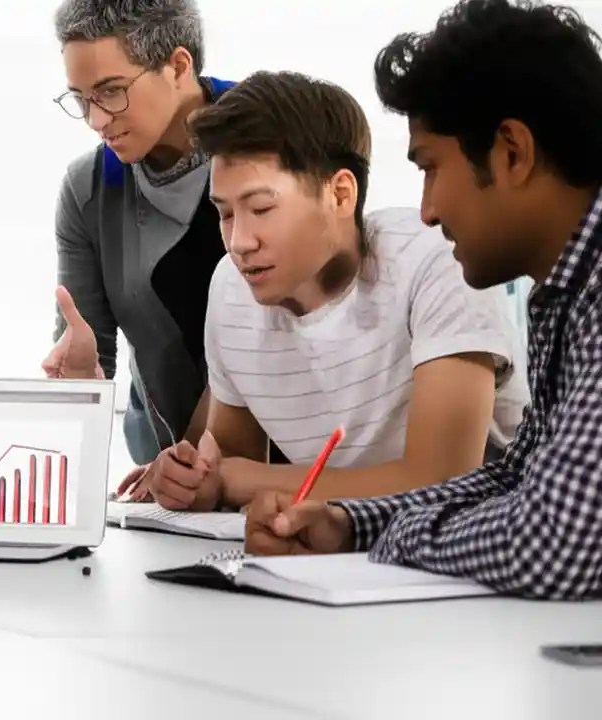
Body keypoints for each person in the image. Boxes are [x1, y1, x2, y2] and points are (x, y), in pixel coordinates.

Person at [246, 0, 602, 600]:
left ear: (511, 152)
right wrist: (351, 524)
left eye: (432, 168)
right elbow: (515, 481)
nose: (428, 211)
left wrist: (400, 535)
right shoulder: (565, 292)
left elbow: (556, 545)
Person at [127, 70, 528, 511]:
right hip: (338, 557)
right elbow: (224, 466)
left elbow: (442, 480)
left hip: (485, 550)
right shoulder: (231, 289)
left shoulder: (435, 259)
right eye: (225, 214)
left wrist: (246, 483)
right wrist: (192, 480)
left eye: (262, 208)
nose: (240, 241)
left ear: (340, 194)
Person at [44, 0, 236, 466]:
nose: (96, 120)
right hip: (163, 475)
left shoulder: (275, 142)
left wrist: (193, 457)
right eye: (80, 98)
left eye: (111, 92)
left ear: (178, 65)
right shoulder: (88, 190)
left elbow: (276, 336)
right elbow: (86, 352)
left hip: (286, 470)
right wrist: (80, 380)